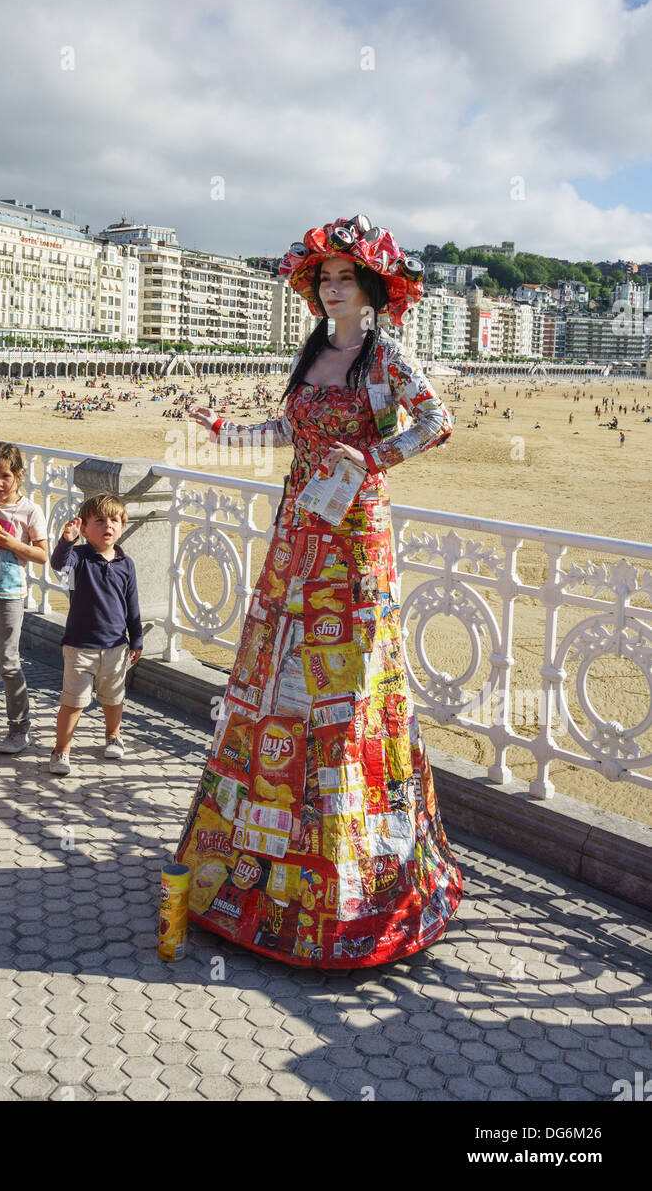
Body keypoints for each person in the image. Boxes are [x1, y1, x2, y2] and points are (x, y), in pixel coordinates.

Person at [177, 214, 463, 968]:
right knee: (281, 677)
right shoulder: (314, 354)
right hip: (299, 534)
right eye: (326, 280)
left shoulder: (385, 356)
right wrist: (228, 433)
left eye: (347, 279)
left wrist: (374, 456)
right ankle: (262, 871)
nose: (335, 290)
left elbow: (438, 420)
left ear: (371, 289)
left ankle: (350, 885)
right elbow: (290, 430)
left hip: (355, 543)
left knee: (351, 688)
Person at [47, 495, 143, 774]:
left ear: (122, 526)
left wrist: (136, 639)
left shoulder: (126, 563)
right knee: (73, 702)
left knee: (113, 698)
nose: (107, 526)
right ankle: (61, 751)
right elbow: (58, 564)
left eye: (114, 520)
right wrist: (67, 540)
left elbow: (132, 604)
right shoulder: (79, 557)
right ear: (86, 530)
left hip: (115, 646)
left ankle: (113, 735)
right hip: (80, 646)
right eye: (99, 520)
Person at [0, 442, 48, 753]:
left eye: (4, 476)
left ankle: (20, 726)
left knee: (8, 661)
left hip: (10, 596)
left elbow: (42, 555)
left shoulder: (30, 510)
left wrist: (12, 544)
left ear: (20, 475)